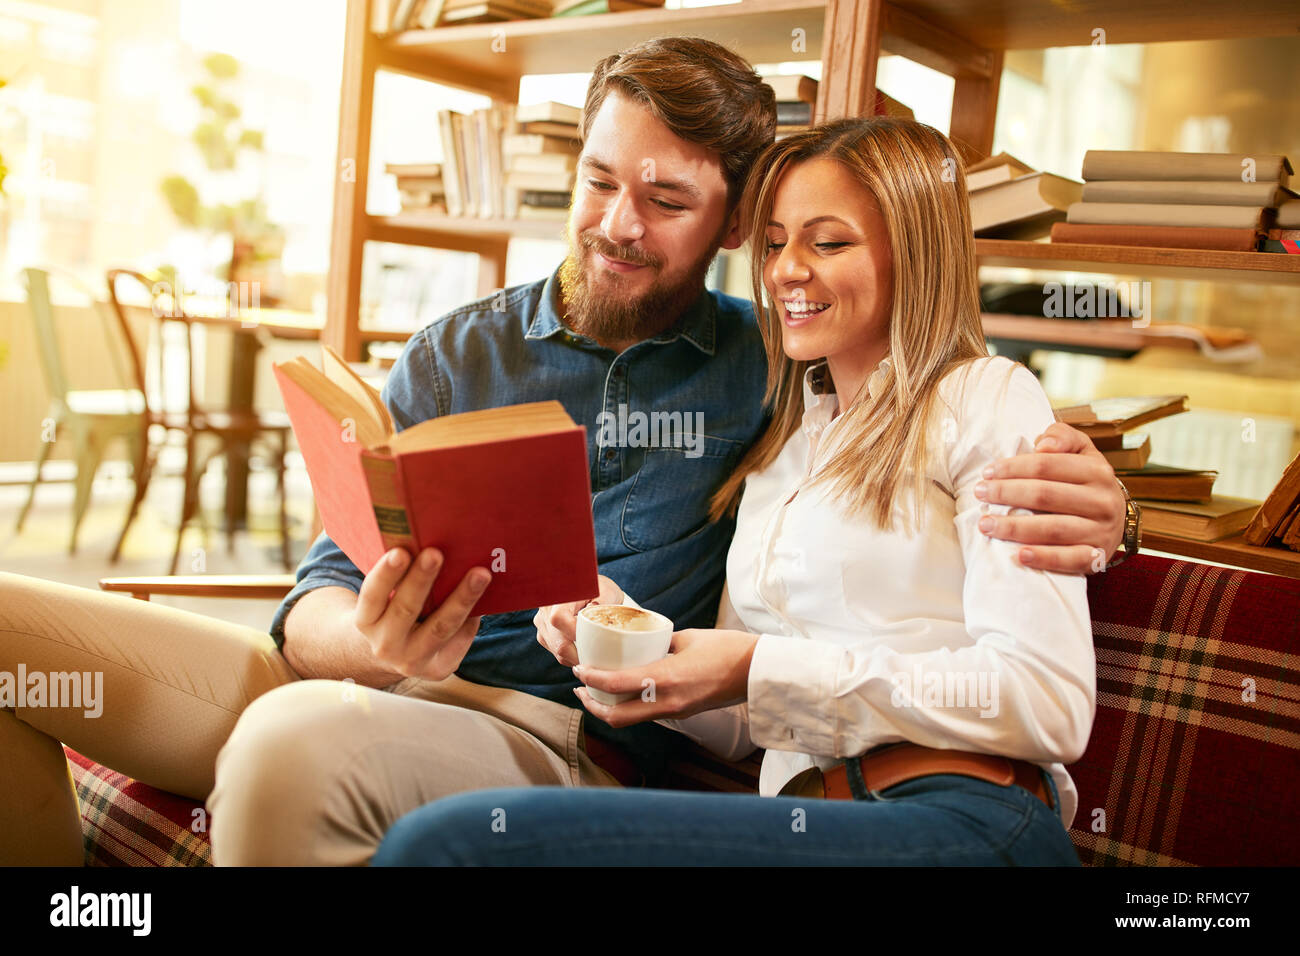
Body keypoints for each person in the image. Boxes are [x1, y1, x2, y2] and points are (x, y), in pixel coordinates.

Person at [0, 38, 1124, 867]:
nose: (615, 223)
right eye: (598, 180)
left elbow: (942, 404)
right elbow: (312, 603)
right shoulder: (459, 350)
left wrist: (1106, 497)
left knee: (293, 746)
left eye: (665, 199)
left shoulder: (771, 369)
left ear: (725, 225)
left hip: (539, 730)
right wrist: (377, 643)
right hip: (363, 677)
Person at [370, 116, 1096, 866]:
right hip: (804, 819)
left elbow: (1047, 701)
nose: (785, 270)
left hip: (962, 819)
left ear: (914, 255)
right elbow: (746, 722)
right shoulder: (782, 442)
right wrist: (633, 651)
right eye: (776, 241)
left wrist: (755, 665)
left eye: (829, 241)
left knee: (451, 845)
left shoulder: (986, 398)